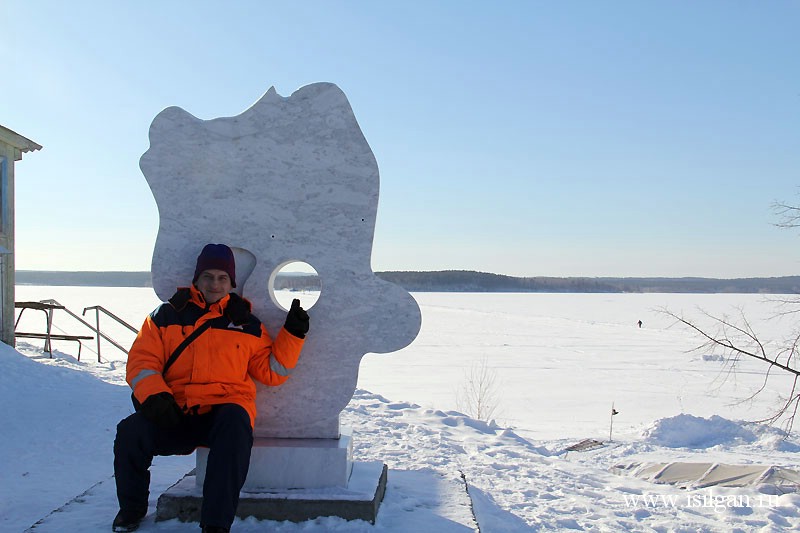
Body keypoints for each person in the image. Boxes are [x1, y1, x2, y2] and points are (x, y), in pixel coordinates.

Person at [112, 244, 309, 533]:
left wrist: (293, 334)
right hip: (174, 410)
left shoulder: (247, 324)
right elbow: (142, 361)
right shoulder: (165, 315)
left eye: (221, 278)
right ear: (196, 279)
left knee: (236, 424)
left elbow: (271, 373)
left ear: (232, 283)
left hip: (222, 412)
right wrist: (154, 396)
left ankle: (216, 525)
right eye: (208, 276)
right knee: (129, 433)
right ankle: (131, 511)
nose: (214, 284)